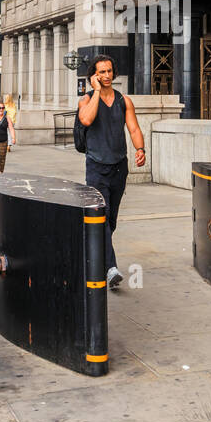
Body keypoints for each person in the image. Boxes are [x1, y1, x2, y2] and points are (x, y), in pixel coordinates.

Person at [77, 55, 145, 290]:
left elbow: (134, 127)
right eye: (101, 72)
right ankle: (111, 268)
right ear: (94, 76)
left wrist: (140, 149)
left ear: (113, 73)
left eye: (108, 71)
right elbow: (86, 120)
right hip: (96, 167)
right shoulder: (86, 99)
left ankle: (98, 256)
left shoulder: (124, 101)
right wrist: (95, 92)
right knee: (102, 218)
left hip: (119, 167)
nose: (106, 76)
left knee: (111, 221)